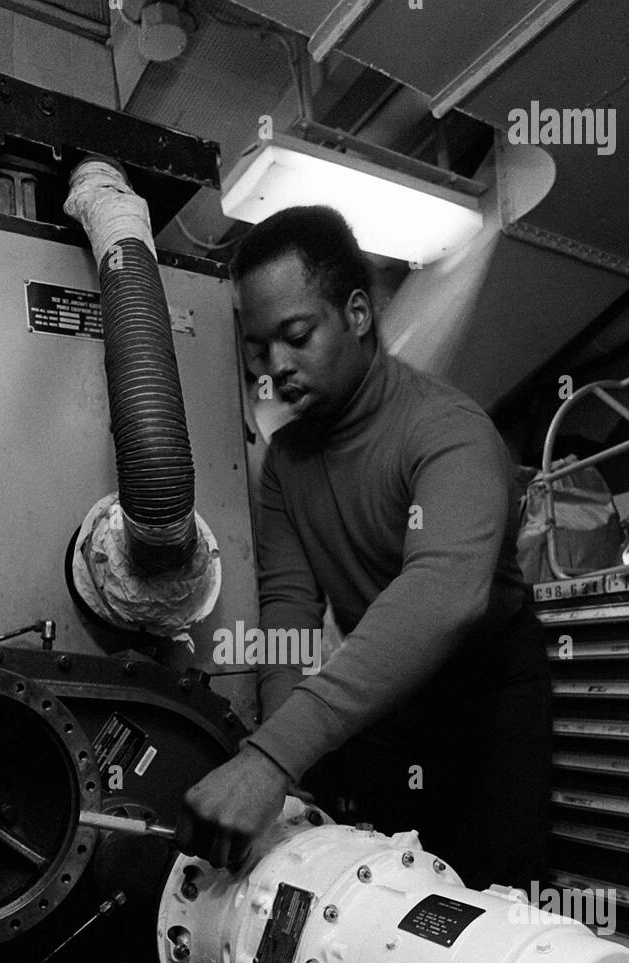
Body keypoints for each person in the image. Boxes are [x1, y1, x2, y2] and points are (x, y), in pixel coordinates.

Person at [175, 206, 552, 893]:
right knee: (377, 892)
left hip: (485, 697)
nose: (276, 368)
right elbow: (288, 610)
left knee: (491, 910)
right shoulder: (285, 463)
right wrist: (281, 762)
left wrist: (272, 758)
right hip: (383, 698)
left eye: (295, 335)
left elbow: (441, 598)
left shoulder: (447, 431)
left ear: (354, 314)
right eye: (260, 350)